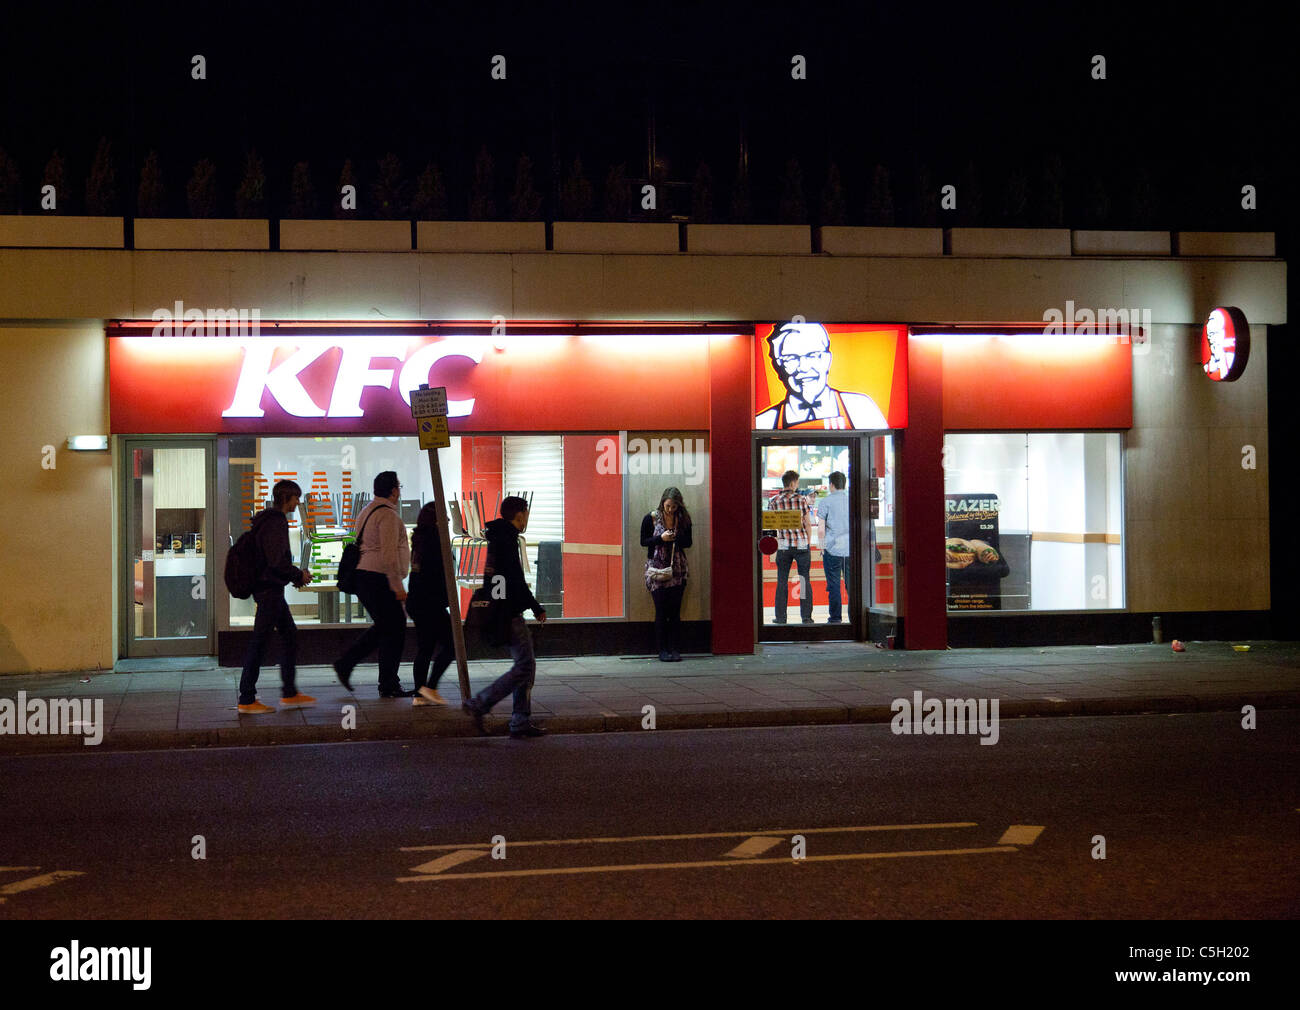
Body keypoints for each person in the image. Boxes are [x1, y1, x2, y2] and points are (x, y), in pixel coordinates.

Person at [461, 496, 548, 739]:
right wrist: (534, 606)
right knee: (525, 665)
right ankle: (481, 703)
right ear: (519, 515)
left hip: (504, 609)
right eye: (526, 514)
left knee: (524, 666)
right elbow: (513, 579)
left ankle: (520, 721)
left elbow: (497, 578)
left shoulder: (497, 538)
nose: (527, 518)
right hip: (509, 612)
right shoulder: (507, 539)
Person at [237, 479, 316, 714]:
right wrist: (298, 575)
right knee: (259, 642)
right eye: (296, 498)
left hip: (269, 589)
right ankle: (247, 698)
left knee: (289, 634)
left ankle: (289, 692)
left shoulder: (266, 521)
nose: (297, 503)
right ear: (286, 498)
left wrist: (293, 576)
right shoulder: (276, 522)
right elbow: (276, 561)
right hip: (269, 589)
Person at [334, 471, 413, 698]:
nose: (399, 491)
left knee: (387, 627)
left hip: (366, 577)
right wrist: (398, 586)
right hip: (378, 577)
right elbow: (388, 555)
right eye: (399, 487)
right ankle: (385, 682)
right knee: (394, 628)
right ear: (394, 490)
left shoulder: (366, 511)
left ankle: (356, 667)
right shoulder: (388, 516)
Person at [755, 322, 888, 430]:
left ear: (828, 359)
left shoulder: (861, 408)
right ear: (778, 366)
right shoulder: (764, 422)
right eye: (791, 358)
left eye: (812, 356)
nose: (804, 367)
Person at [406, 502, 455, 707]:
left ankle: (420, 693)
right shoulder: (436, 540)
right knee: (452, 646)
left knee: (425, 647)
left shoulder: (419, 539)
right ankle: (430, 687)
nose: (449, 520)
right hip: (431, 602)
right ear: (437, 520)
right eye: (445, 517)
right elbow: (439, 573)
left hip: (418, 601)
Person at [640, 487, 693, 661]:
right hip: (656, 569)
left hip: (677, 569)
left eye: (674, 507)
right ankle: (662, 650)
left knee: (675, 612)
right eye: (668, 506)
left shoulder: (683, 519)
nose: (670, 509)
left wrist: (675, 537)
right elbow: (643, 541)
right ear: (663, 502)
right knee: (661, 610)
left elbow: (688, 543)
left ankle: (675, 649)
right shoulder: (651, 518)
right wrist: (660, 539)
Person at [768, 469, 813, 625]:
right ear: (793, 483)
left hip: (783, 546)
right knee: (804, 580)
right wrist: (808, 541)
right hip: (801, 544)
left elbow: (772, 526)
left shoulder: (773, 501)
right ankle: (806, 618)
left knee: (782, 581)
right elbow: (807, 522)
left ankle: (781, 618)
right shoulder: (801, 500)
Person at [817, 470, 850, 624]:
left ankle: (836, 618)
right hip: (851, 550)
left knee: (834, 584)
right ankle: (854, 618)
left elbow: (821, 529)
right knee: (852, 585)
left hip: (832, 549)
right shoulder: (853, 500)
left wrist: (821, 547)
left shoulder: (825, 502)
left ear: (831, 484)